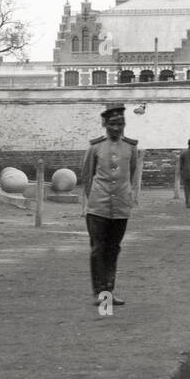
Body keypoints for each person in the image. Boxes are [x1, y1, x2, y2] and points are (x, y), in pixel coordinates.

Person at [80, 104, 141, 307]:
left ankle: (109, 291)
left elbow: (131, 174)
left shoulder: (130, 148)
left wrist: (127, 196)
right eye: (113, 124)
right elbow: (87, 176)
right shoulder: (95, 148)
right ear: (105, 125)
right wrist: (94, 198)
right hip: (98, 207)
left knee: (113, 249)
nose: (117, 128)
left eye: (120, 124)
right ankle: (100, 293)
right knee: (98, 249)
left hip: (121, 207)